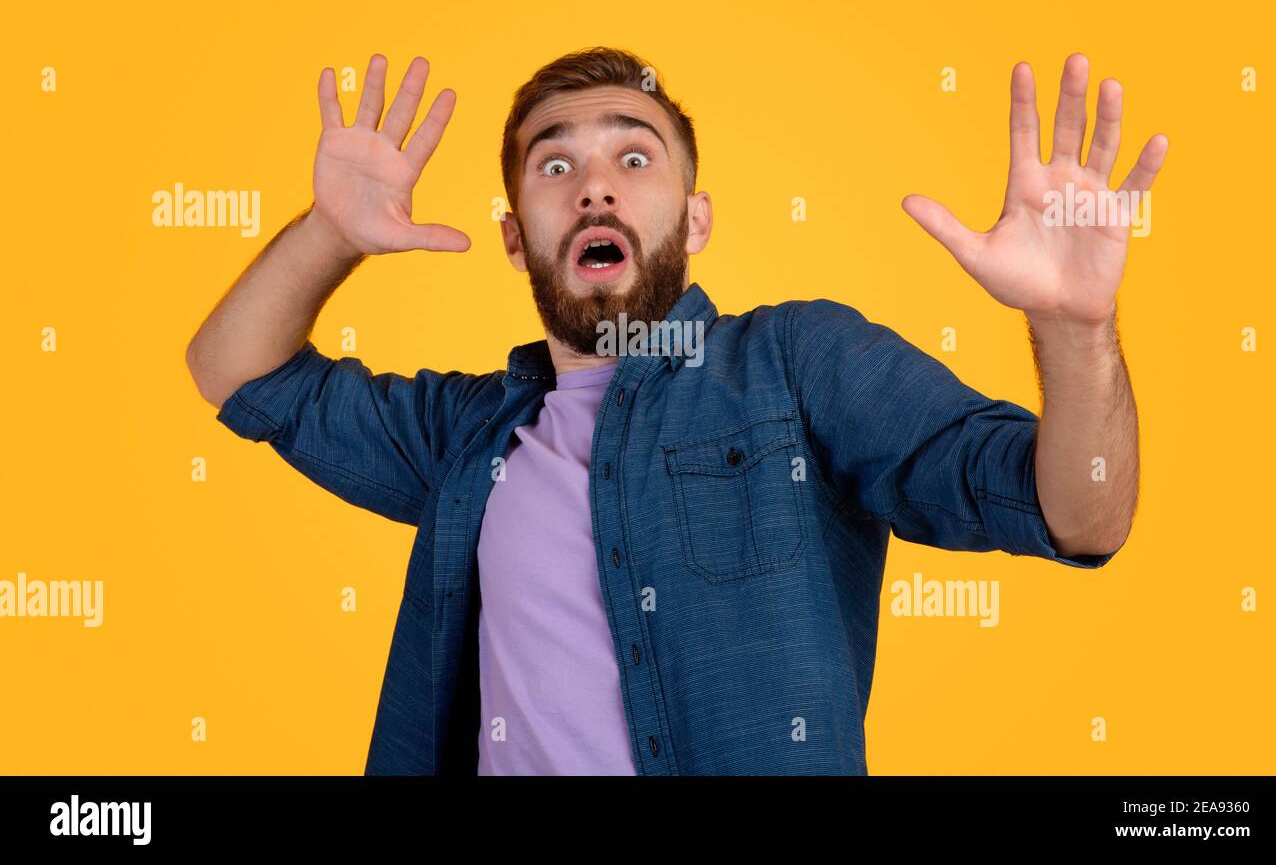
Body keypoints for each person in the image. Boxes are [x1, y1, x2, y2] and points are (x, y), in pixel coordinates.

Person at [185, 46, 1167, 775]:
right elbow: (234, 370)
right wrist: (328, 232)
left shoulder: (797, 362)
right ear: (517, 240)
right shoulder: (468, 433)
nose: (595, 186)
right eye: (554, 167)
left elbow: (1081, 513)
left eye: (636, 159)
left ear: (694, 220)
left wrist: (1072, 326)